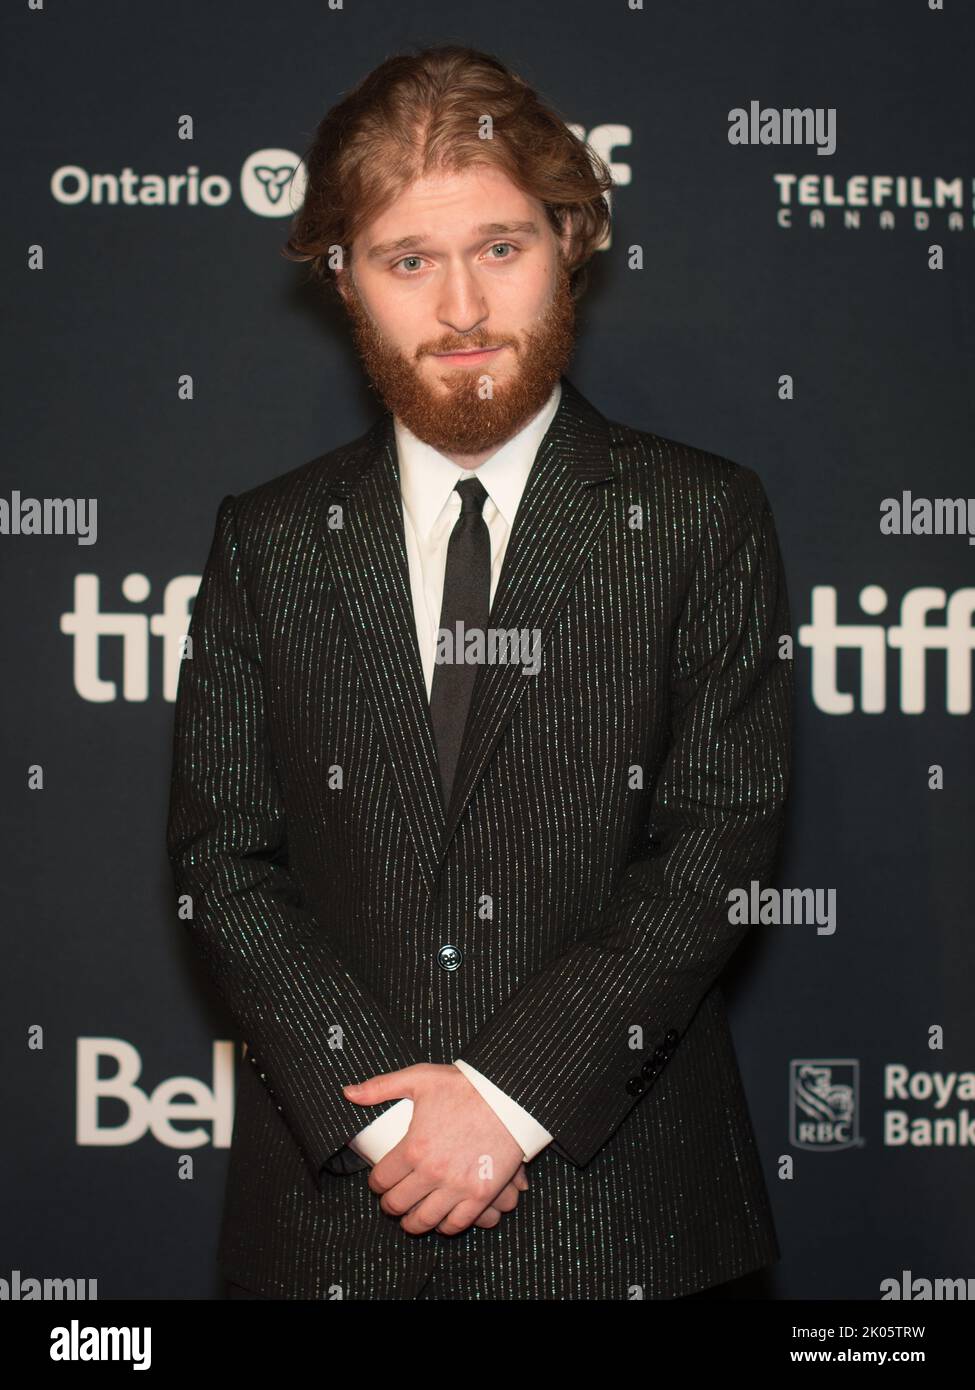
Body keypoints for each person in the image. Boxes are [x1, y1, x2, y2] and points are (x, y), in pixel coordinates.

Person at [166, 43, 794, 1301]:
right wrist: (405, 1130)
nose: (460, 310)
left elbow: (720, 843)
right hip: (336, 1216)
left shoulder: (697, 516)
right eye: (410, 260)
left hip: (630, 1225)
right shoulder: (268, 537)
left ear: (571, 241)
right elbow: (221, 860)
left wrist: (508, 1102)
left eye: (501, 249)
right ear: (345, 280)